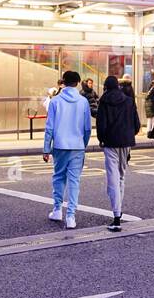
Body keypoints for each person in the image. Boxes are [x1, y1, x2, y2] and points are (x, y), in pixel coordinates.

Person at [43, 70, 92, 229]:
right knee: (74, 181)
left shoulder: (55, 101)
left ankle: (57, 209)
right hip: (77, 145)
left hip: (59, 145)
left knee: (58, 177)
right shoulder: (83, 101)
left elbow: (49, 127)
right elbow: (87, 128)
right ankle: (71, 216)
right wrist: (83, 144)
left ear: (63, 82)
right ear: (78, 83)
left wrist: (46, 149)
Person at [96, 75, 140, 232]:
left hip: (110, 143)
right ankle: (118, 212)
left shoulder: (104, 101)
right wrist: (129, 135)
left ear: (106, 87)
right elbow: (136, 124)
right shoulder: (128, 101)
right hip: (126, 143)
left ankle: (116, 216)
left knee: (112, 178)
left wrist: (102, 139)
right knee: (121, 177)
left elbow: (101, 125)